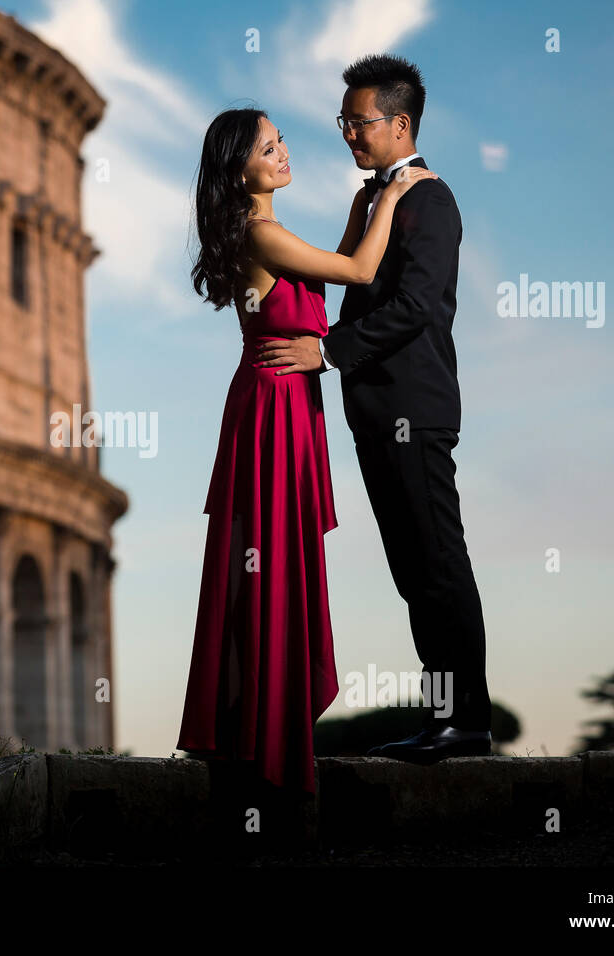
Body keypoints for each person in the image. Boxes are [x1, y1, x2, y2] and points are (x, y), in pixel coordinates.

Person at [177, 106, 436, 798]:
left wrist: (363, 202)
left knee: (269, 565)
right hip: (272, 410)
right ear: (241, 171)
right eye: (270, 147)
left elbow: (326, 268)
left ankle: (255, 734)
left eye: (282, 139)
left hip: (277, 405)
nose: (285, 153)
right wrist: (399, 192)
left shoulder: (264, 232)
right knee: (272, 563)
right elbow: (354, 269)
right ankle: (268, 751)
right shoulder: (260, 235)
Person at [256, 53, 492, 764]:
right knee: (415, 572)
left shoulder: (429, 198)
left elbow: (417, 307)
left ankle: (465, 724)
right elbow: (353, 278)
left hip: (413, 409)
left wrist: (325, 352)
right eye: (344, 123)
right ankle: (443, 719)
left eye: (359, 124)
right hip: (377, 413)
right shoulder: (379, 198)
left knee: (439, 564)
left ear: (400, 123)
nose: (348, 136)